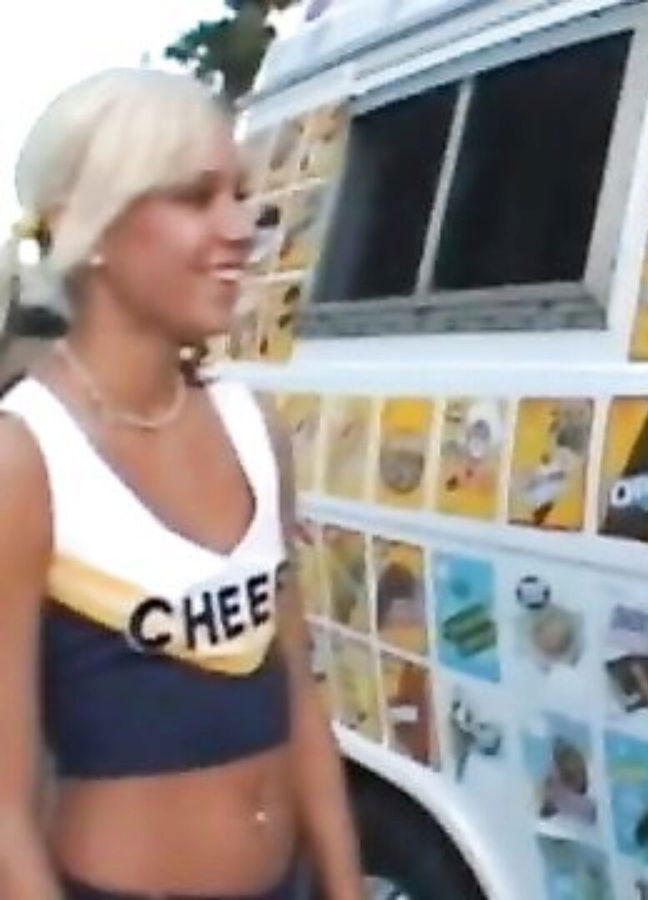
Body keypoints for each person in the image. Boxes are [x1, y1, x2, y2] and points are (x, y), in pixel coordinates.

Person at [0, 69, 363, 900]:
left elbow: (299, 695)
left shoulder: (251, 426)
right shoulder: (25, 457)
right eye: (198, 198)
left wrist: (345, 887)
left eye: (242, 194)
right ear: (87, 226)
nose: (243, 227)